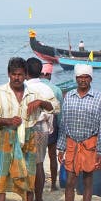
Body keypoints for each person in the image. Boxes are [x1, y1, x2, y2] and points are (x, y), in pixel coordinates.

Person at [0, 57, 55, 201]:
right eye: (14, 74)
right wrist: (7, 120)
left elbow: (54, 107)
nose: (17, 78)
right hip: (6, 137)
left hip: (30, 138)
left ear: (25, 75)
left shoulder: (33, 93)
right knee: (0, 181)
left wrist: (40, 102)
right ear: (9, 74)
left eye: (20, 74)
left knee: (29, 180)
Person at [56, 64, 101, 201]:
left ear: (91, 79)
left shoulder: (99, 98)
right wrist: (61, 147)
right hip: (71, 144)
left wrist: (100, 151)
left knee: (87, 181)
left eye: (86, 77)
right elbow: (63, 124)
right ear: (76, 78)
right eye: (80, 77)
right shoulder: (68, 97)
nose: (83, 80)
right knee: (70, 181)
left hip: (90, 144)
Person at [25, 57, 60, 201]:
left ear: (26, 72)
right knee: (39, 164)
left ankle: (31, 199)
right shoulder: (48, 88)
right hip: (43, 128)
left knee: (28, 165)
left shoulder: (23, 87)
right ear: (40, 72)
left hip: (28, 128)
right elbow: (56, 109)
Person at [40, 62, 63, 190]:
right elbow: (60, 112)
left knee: (39, 159)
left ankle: (40, 184)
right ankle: (53, 185)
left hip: (37, 126)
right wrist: (60, 127)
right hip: (52, 125)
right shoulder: (56, 90)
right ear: (49, 75)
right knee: (52, 155)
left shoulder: (32, 87)